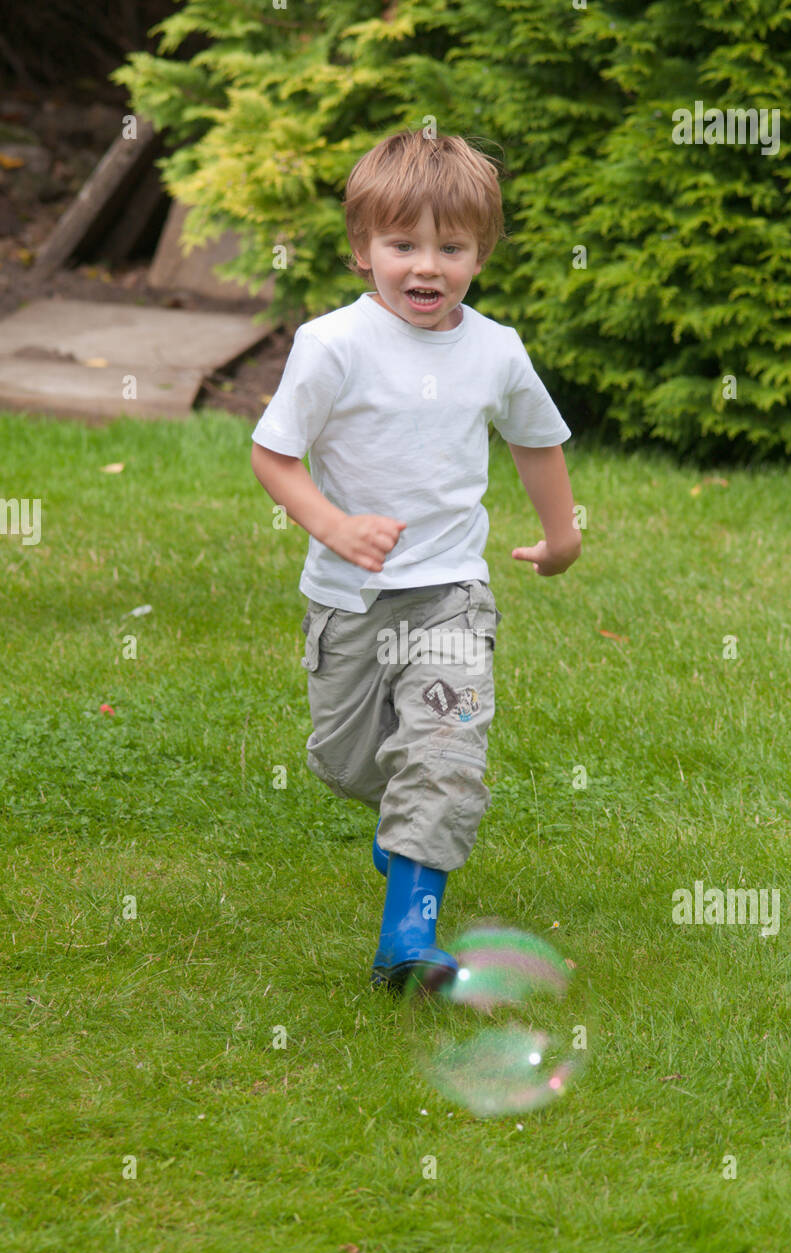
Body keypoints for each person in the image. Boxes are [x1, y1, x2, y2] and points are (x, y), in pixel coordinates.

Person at [250, 128, 581, 992]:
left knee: (442, 754)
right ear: (364, 250)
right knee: (347, 760)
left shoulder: (495, 350)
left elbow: (536, 442)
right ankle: (407, 832)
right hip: (349, 600)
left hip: (449, 597)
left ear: (482, 254)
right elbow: (274, 457)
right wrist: (332, 525)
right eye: (403, 245)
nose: (425, 266)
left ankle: (409, 937)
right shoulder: (332, 346)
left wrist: (559, 535)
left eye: (450, 246)